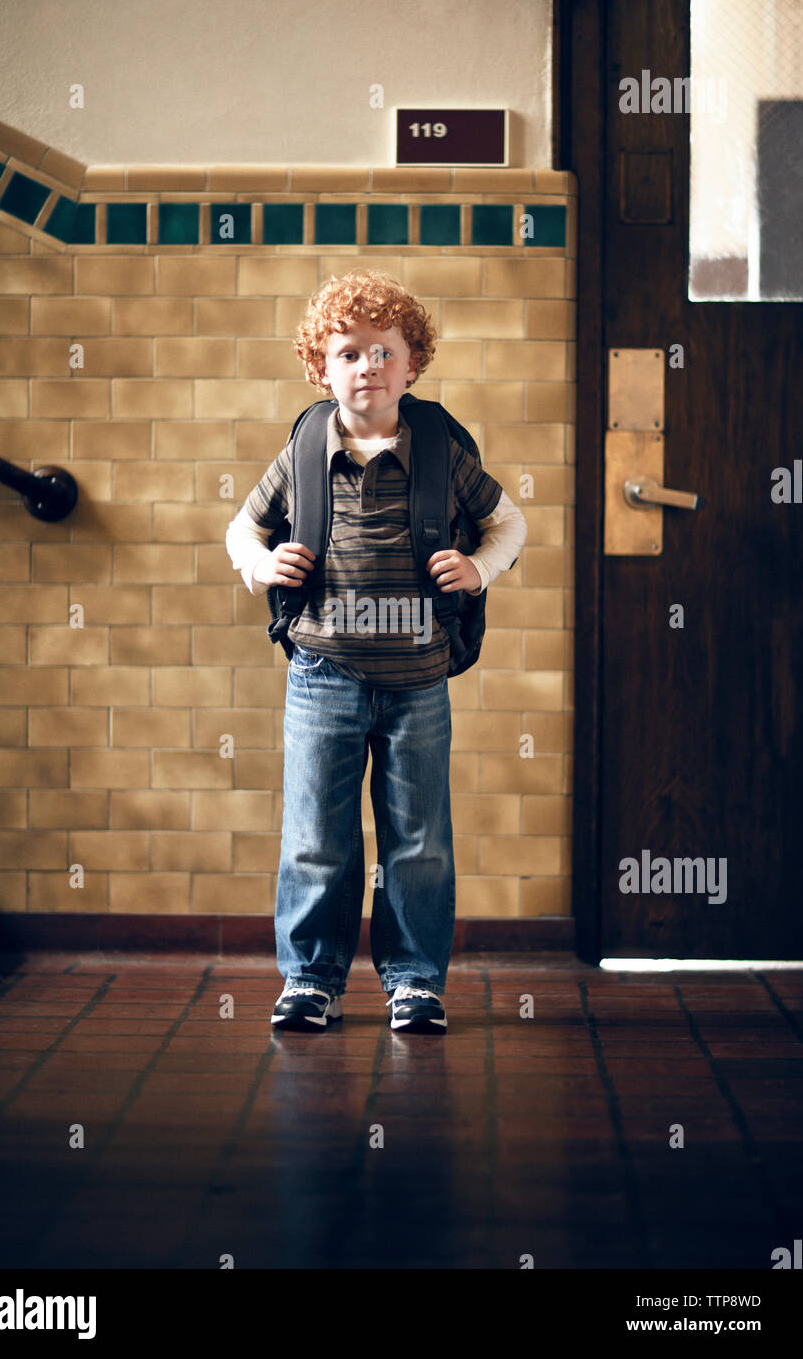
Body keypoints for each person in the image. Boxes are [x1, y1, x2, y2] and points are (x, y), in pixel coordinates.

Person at [225, 269, 527, 1034]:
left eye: (385, 351)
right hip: (321, 673)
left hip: (419, 678)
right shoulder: (303, 455)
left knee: (418, 841)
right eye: (349, 353)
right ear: (320, 368)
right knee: (315, 839)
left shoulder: (439, 454)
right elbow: (242, 530)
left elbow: (509, 522)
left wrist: (479, 568)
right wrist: (261, 565)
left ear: (412, 363)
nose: (369, 367)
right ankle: (310, 980)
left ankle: (415, 983)